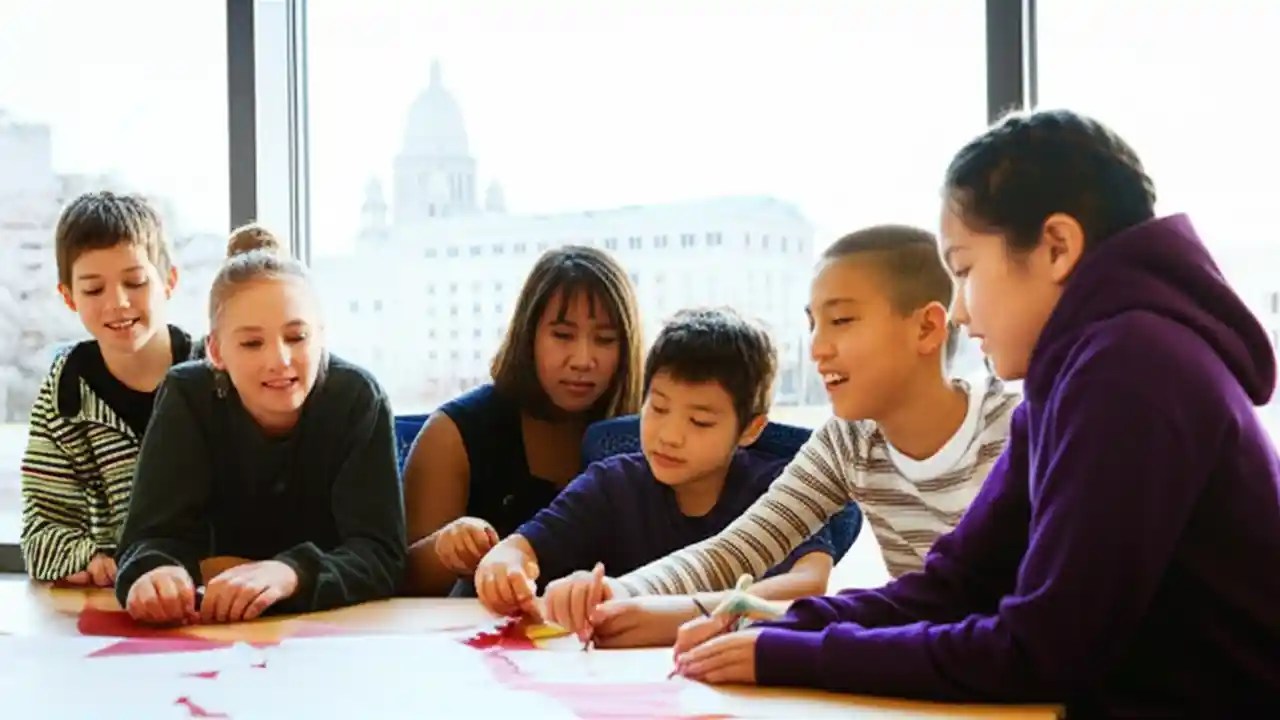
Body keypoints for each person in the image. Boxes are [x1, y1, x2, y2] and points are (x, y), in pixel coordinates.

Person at [674, 109, 1280, 716]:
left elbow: (1040, 651)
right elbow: (958, 586)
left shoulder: (1132, 367)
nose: (959, 311)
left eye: (963, 271)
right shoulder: (1078, 372)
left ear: (1056, 247)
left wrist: (789, 655)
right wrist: (786, 632)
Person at [545, 224, 1020, 643]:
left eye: (841, 320)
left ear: (927, 328)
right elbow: (734, 550)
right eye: (812, 325)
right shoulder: (847, 441)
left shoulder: (1016, 428)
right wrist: (619, 592)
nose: (816, 348)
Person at [474, 308, 836, 646]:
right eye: (659, 407)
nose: (669, 436)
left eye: (700, 421)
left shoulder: (777, 489)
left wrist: (674, 615)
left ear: (750, 429)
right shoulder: (611, 484)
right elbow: (513, 551)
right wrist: (505, 576)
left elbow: (809, 584)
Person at [113, 232, 405, 624]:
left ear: (322, 335)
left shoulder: (358, 398)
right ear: (216, 351)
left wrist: (291, 573)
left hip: (327, 632)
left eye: (297, 337)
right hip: (212, 626)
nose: (280, 360)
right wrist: (155, 572)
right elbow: (148, 538)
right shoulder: (188, 395)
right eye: (252, 343)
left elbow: (380, 553)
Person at [401, 245, 643, 596]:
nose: (582, 359)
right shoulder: (454, 433)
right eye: (562, 335)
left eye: (605, 340)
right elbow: (399, 582)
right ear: (528, 336)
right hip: (483, 641)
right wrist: (445, 549)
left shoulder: (655, 430)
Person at [20, 191, 194, 585]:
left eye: (134, 282)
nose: (117, 303)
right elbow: (40, 537)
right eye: (94, 290)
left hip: (212, 592)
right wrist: (96, 561)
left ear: (169, 280)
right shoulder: (63, 396)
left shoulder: (217, 378)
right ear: (69, 297)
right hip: (114, 601)